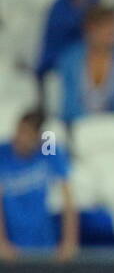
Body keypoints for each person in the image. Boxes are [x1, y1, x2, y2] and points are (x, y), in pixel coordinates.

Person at [0, 110, 77, 261]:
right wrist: (1, 242)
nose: (20, 138)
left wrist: (69, 241)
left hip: (44, 244)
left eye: (27, 134)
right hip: (12, 246)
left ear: (38, 136)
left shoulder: (48, 151)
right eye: (19, 131)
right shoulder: (3, 153)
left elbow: (67, 194)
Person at [57, 5, 114, 121]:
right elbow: (68, 103)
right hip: (79, 126)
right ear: (90, 30)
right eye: (104, 28)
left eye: (112, 28)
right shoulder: (69, 61)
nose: (110, 33)